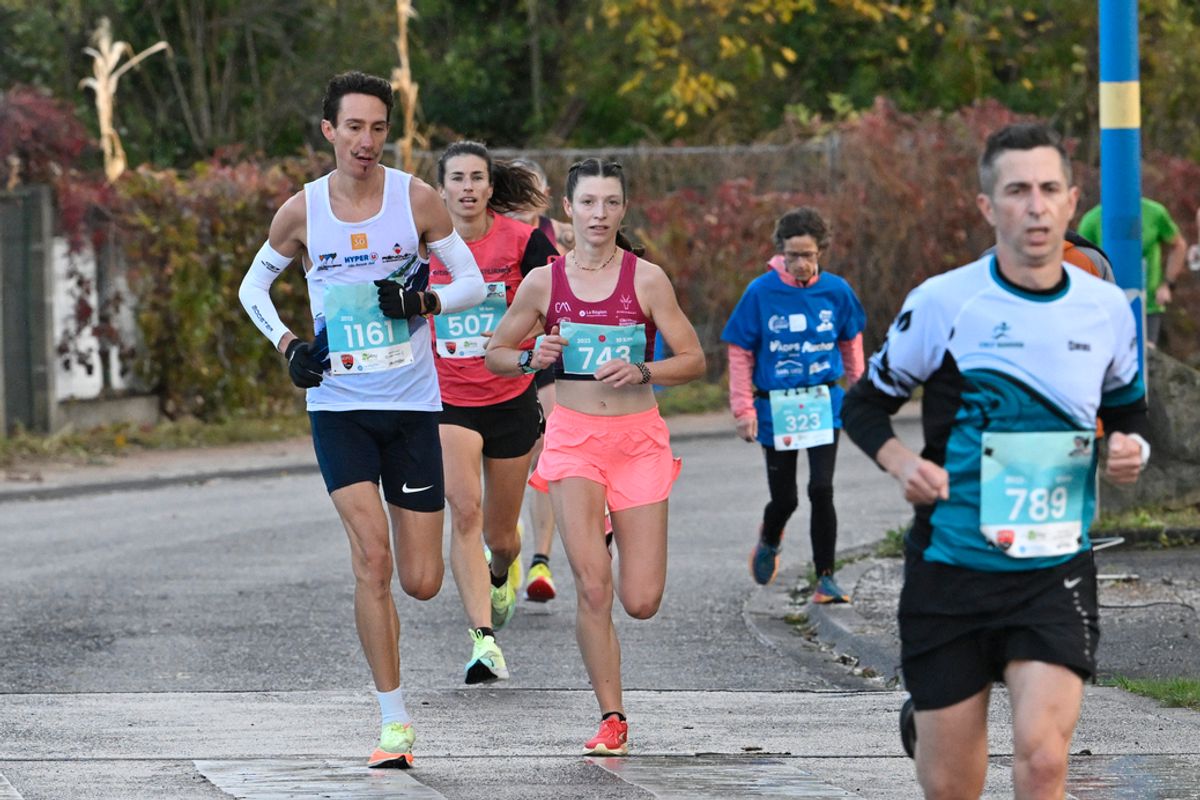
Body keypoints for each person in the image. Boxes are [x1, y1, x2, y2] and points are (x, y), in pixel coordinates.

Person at [842, 123, 1150, 799]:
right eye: (1017, 191)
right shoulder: (945, 303)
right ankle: (929, 725)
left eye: (1048, 189)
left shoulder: (1105, 309)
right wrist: (900, 463)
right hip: (951, 570)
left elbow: (1129, 410)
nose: (1034, 206)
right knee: (956, 788)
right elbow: (863, 407)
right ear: (988, 207)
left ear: (1072, 201)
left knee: (1042, 761)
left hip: (1053, 569)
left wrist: (1131, 448)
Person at [237, 71, 485, 769]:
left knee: (421, 579)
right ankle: (394, 724)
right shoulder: (302, 211)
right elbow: (252, 286)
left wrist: (425, 305)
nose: (366, 141)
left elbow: (470, 283)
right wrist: (289, 346)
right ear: (329, 131)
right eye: (354, 127)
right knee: (372, 561)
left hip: (410, 407)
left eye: (378, 128)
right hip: (339, 408)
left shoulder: (417, 199)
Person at [484, 158, 706, 756]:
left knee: (642, 600)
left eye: (610, 203)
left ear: (623, 209)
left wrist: (645, 368)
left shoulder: (647, 279)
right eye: (588, 203)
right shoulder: (544, 282)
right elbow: (496, 353)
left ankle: (612, 523)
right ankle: (613, 718)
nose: (599, 214)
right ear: (568, 209)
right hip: (575, 439)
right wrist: (534, 356)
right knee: (592, 586)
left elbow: (694, 358)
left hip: (637, 442)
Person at [430, 141, 559, 683]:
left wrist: (518, 341)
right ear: (441, 190)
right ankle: (483, 642)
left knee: (501, 535)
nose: (466, 187)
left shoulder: (523, 240)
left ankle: (502, 569)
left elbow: (553, 306)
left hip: (509, 397)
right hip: (447, 399)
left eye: (476, 178)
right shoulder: (423, 246)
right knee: (464, 511)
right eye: (456, 178)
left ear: (489, 187)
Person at [720, 207, 866, 599]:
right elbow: (740, 352)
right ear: (780, 252)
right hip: (776, 407)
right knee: (785, 498)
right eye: (794, 255)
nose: (801, 263)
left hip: (823, 401)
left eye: (809, 255)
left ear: (822, 253)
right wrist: (743, 410)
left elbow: (850, 343)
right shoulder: (761, 293)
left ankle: (826, 578)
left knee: (822, 488)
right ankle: (770, 537)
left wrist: (861, 394)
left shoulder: (836, 291)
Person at [505, 158, 570, 602]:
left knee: (547, 451)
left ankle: (540, 562)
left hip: (547, 350)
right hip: (503, 352)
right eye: (512, 200)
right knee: (513, 457)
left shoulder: (564, 234)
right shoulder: (486, 233)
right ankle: (504, 542)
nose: (520, 208)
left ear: (543, 197)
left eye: (530, 198)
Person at [1077, 196, 1188, 346]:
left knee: (1147, 358)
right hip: (1108, 309)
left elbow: (1178, 245)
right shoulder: (1091, 220)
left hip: (1148, 305)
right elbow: (1081, 265)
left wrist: (1168, 284)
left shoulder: (1154, 212)